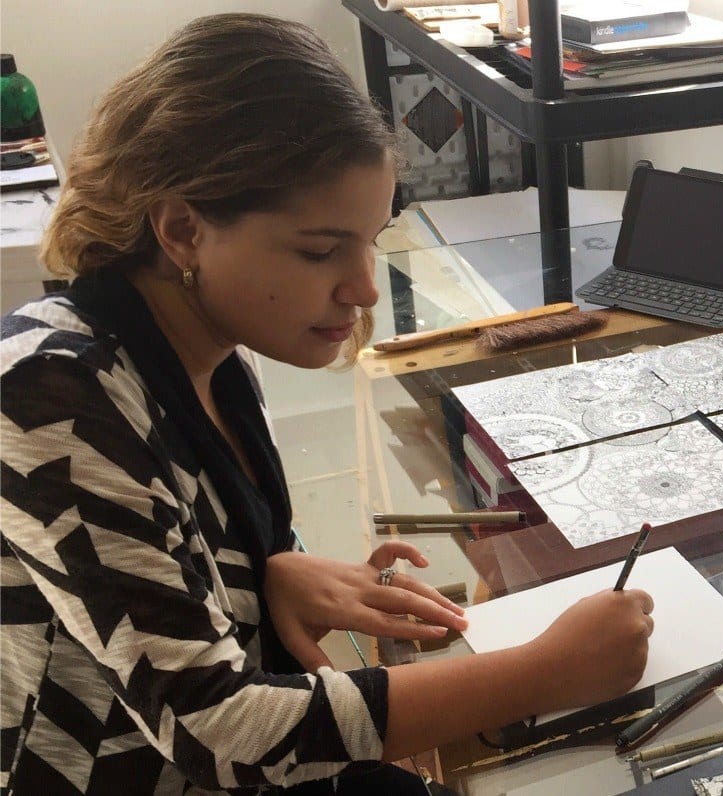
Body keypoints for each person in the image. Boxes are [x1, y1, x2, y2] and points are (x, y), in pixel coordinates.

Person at [0, 14, 654, 795]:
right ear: (182, 230)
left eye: (371, 239)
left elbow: (167, 551)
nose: (366, 288)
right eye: (320, 250)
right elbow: (216, 730)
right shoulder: (47, 396)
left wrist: (266, 571)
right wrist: (544, 672)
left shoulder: (211, 348)